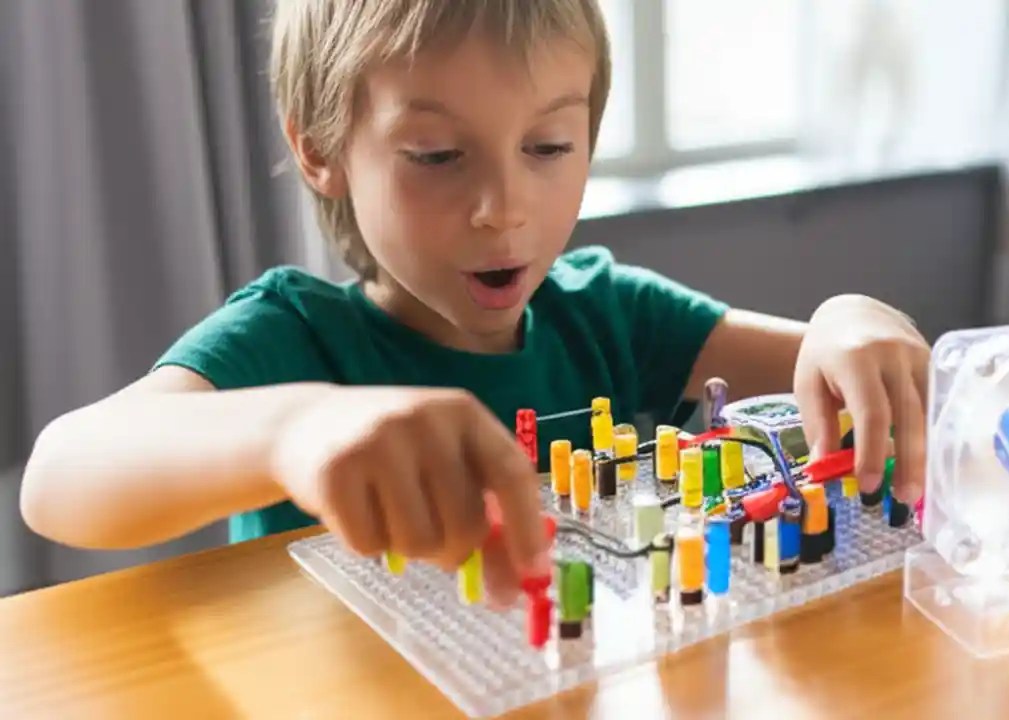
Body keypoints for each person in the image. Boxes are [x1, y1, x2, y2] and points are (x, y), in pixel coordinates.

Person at [19, 0, 929, 605]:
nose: (504, 208)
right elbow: (59, 479)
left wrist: (853, 317)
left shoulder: (607, 310)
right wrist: (291, 431)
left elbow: (822, 364)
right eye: (437, 156)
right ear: (321, 151)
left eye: (548, 146)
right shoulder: (294, 339)